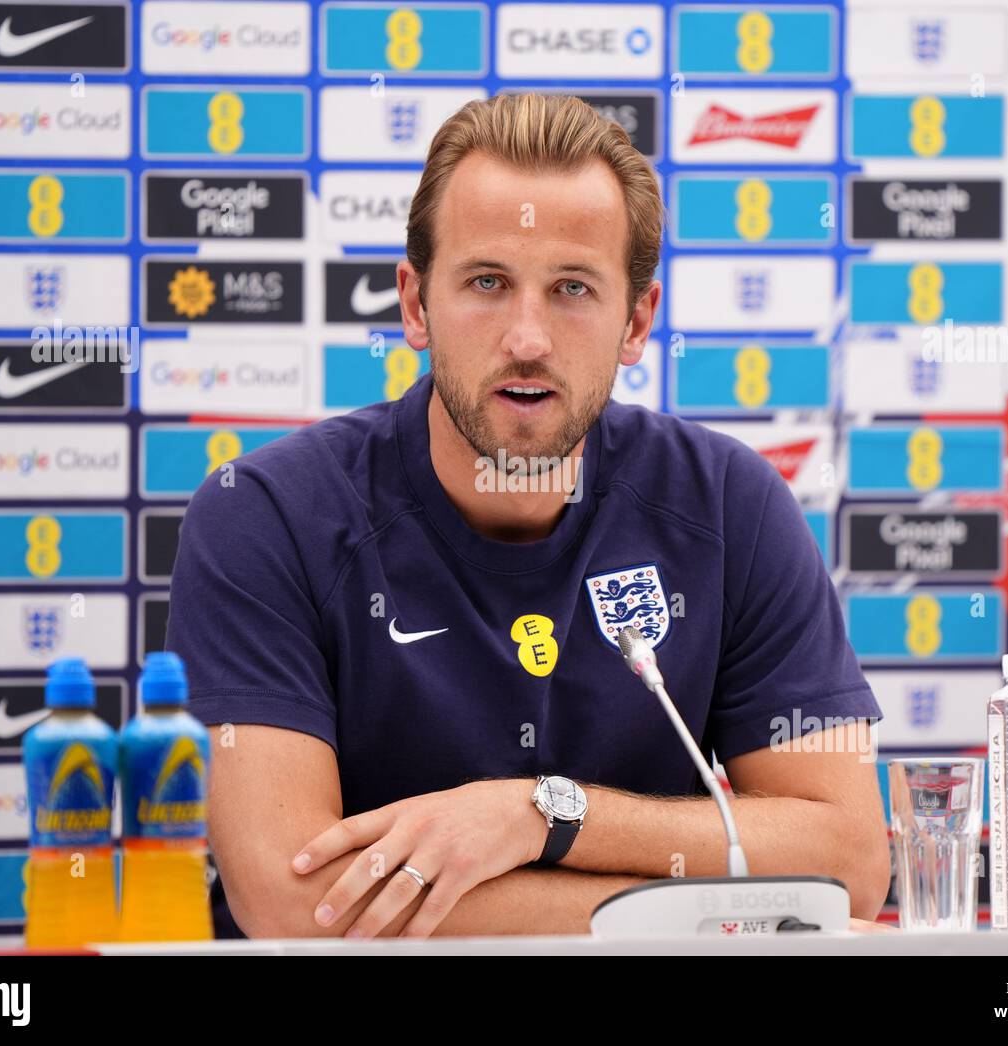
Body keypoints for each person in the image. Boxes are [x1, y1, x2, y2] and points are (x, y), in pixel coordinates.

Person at [166, 92, 889, 940]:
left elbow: (847, 862)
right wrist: (708, 920)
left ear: (637, 321)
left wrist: (547, 814)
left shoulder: (732, 507)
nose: (527, 339)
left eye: (573, 288)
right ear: (413, 305)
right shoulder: (264, 517)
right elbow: (298, 907)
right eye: (487, 282)